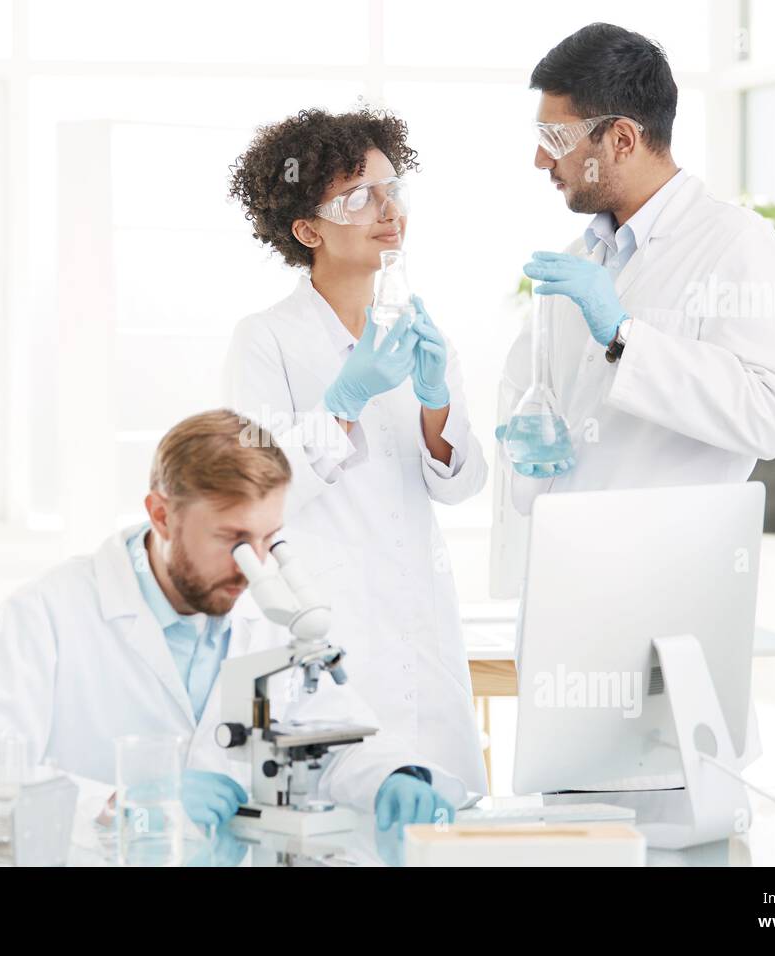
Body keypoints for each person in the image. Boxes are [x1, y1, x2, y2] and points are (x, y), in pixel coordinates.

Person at [0, 409, 467, 831]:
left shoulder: (267, 612)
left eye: (266, 540)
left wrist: (393, 775)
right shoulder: (47, 615)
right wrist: (124, 803)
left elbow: (329, 736)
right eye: (232, 540)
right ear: (161, 514)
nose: (252, 567)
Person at [224, 108, 489, 794]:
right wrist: (340, 403)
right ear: (308, 229)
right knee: (341, 814)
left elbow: (459, 486)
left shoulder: (422, 330)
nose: (388, 209)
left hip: (421, 625)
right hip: (330, 627)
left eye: (391, 187)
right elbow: (255, 492)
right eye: (357, 197)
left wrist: (436, 400)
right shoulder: (265, 340)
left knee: (438, 820)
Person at [495, 22, 775, 526]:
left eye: (555, 137)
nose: (540, 159)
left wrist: (624, 337)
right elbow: (532, 401)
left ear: (621, 138)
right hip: (566, 554)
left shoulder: (737, 243)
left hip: (669, 566)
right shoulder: (581, 257)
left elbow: (771, 416)